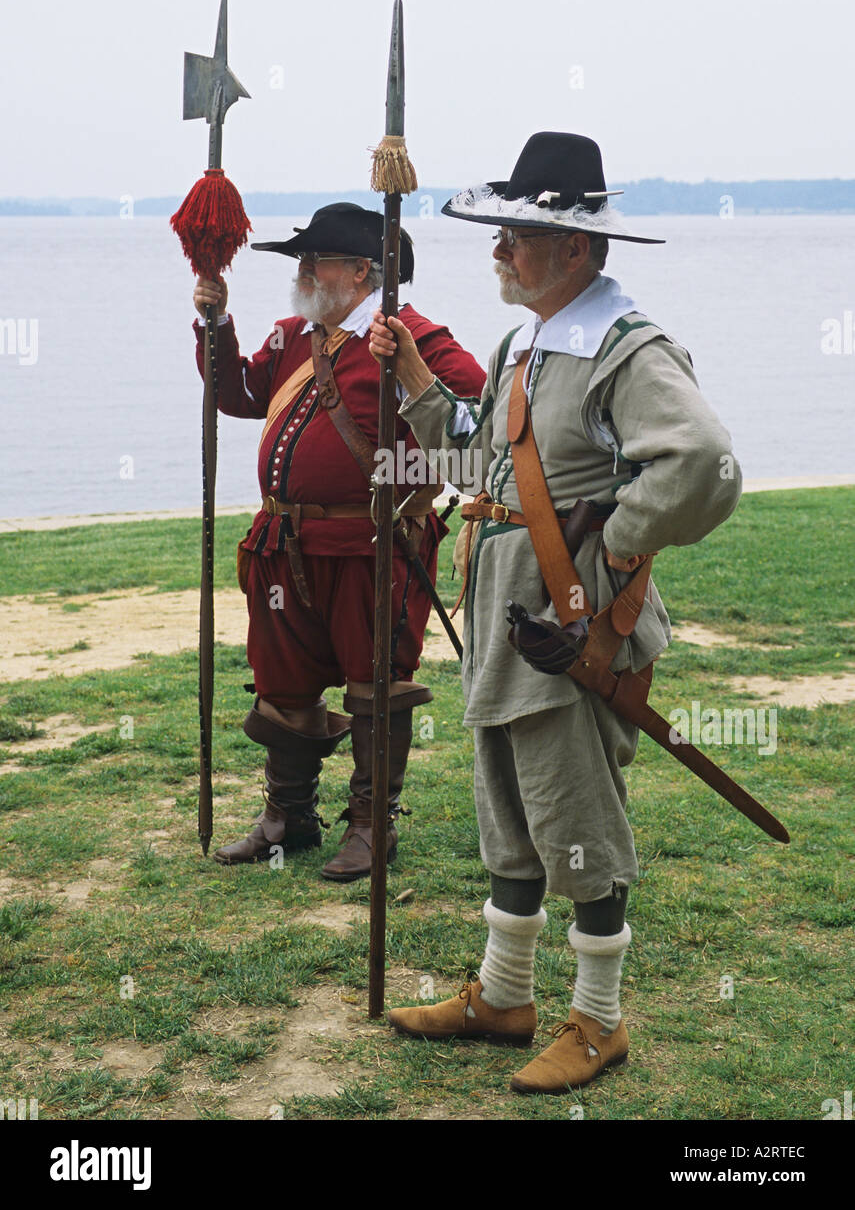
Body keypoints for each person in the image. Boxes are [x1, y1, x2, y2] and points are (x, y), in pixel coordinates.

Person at [369, 133, 742, 1092]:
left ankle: (600, 1021)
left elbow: (699, 462)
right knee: (512, 817)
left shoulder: (626, 348)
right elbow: (479, 458)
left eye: (517, 234)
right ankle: (503, 996)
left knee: (576, 823)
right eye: (498, 233)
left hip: (572, 630)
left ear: (575, 248)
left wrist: (614, 549)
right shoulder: (523, 341)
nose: (497, 250)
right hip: (510, 625)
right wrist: (413, 373)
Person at [193, 202, 485, 882]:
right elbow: (236, 393)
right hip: (282, 543)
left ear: (361, 271)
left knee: (375, 689)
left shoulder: (413, 336)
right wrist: (215, 323)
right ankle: (285, 819)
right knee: (283, 684)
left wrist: (417, 478)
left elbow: (476, 427)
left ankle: (369, 828)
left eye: (314, 259)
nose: (301, 270)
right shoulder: (295, 336)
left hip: (373, 549)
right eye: (300, 259)